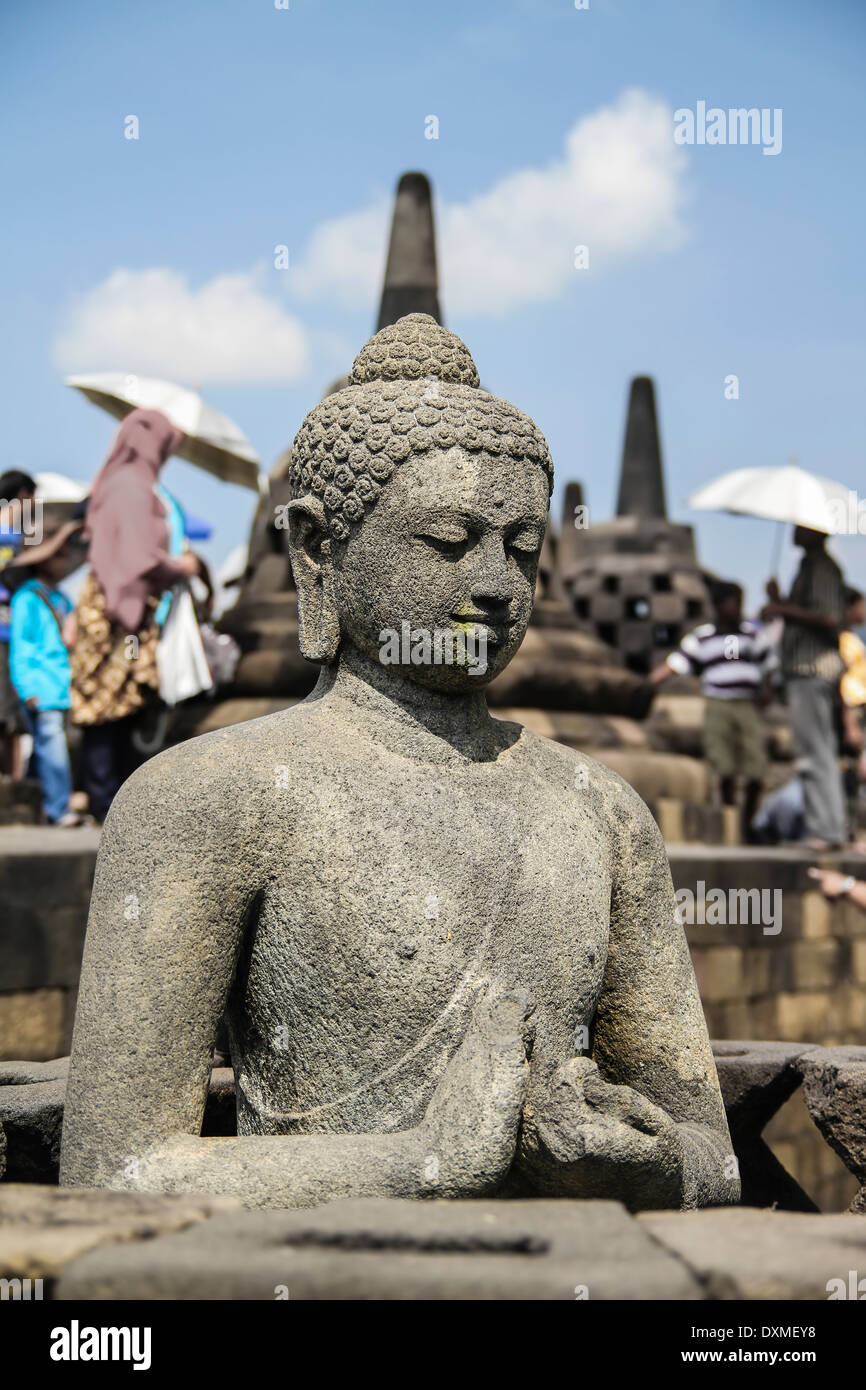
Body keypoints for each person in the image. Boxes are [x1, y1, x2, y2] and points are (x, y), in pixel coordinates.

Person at [70, 409, 203, 822]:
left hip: (108, 608)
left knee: (110, 707)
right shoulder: (132, 489)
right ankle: (109, 804)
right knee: (113, 709)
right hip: (118, 615)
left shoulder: (118, 484)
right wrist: (182, 568)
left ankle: (108, 802)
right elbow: (138, 559)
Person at [650, 580, 775, 841]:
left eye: (740, 602)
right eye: (732, 602)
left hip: (746, 705)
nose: (737, 608)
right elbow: (678, 663)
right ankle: (732, 825)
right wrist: (648, 683)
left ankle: (747, 823)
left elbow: (769, 666)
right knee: (724, 767)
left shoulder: (752, 634)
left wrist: (768, 691)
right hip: (718, 703)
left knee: (756, 769)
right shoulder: (703, 636)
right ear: (719, 606)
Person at [761, 525, 847, 851]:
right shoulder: (810, 567)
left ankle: (825, 832)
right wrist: (779, 600)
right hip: (807, 670)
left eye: (801, 526)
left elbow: (828, 618)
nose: (794, 531)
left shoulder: (822, 568)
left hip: (812, 670)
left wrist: (782, 609)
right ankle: (829, 829)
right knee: (818, 752)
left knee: (815, 754)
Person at [8, 520, 83, 826]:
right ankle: (59, 808)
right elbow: (21, 649)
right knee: (52, 748)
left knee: (44, 751)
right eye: (58, 555)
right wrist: (27, 689)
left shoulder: (63, 598)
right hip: (41, 687)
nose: (63, 561)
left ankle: (38, 807)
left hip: (62, 685)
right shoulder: (27, 598)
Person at [0, 470, 37, 776]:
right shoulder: (9, 532)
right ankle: (13, 782)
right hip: (6, 631)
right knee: (10, 709)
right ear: (23, 495)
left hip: (11, 630)